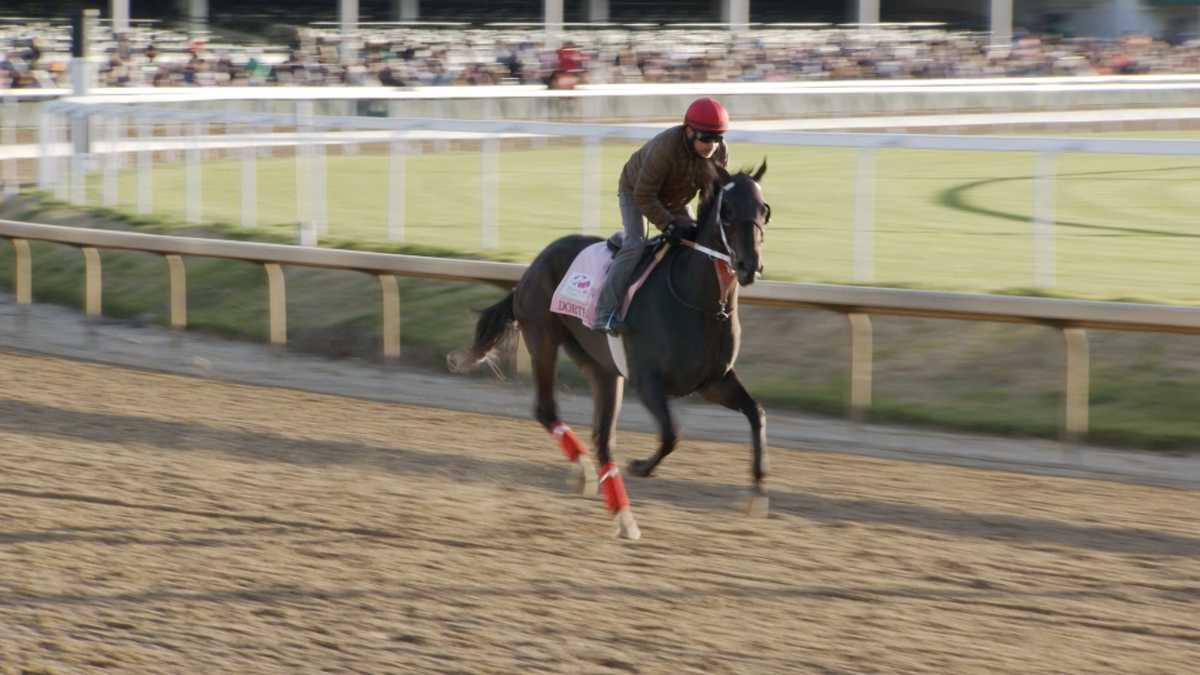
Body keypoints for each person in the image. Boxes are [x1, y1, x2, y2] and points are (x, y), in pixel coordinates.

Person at [592, 97, 730, 335]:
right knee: (636, 243)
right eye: (706, 138)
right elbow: (644, 195)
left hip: (676, 198)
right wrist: (668, 224)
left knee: (699, 245)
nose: (712, 146)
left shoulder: (719, 153)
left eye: (717, 138)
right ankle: (604, 313)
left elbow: (708, 196)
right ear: (688, 131)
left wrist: (700, 227)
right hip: (636, 190)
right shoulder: (664, 148)